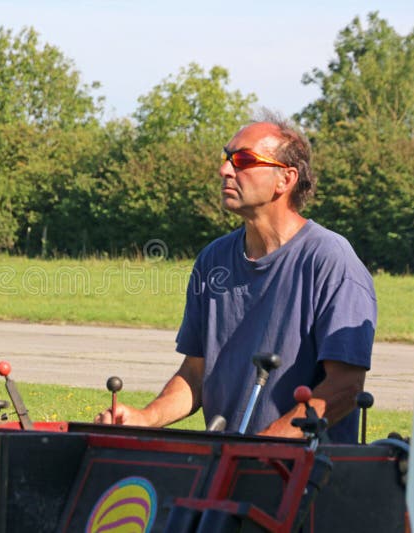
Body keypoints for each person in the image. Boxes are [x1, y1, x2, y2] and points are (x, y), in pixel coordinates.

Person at [95, 115, 376, 443]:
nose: (225, 170)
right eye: (227, 158)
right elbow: (196, 375)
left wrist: (263, 447)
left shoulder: (330, 260)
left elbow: (344, 387)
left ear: (285, 179)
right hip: (228, 469)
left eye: (242, 160)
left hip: (305, 479)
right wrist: (145, 418)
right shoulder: (213, 259)